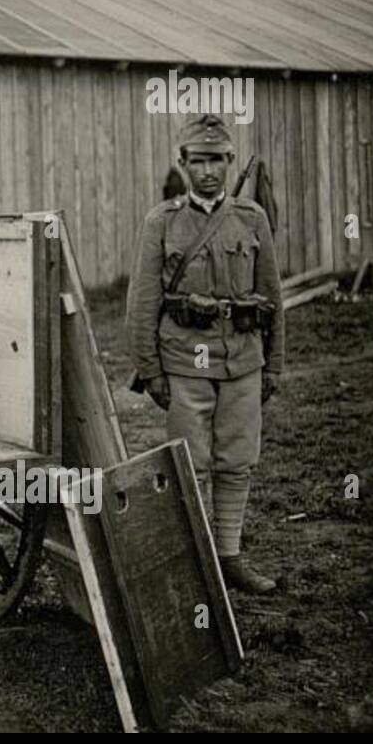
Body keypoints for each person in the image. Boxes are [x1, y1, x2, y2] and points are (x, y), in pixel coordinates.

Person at [126, 114, 284, 594]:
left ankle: (229, 557)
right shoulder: (163, 221)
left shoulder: (252, 219)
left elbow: (272, 295)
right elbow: (143, 301)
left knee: (237, 460)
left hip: (242, 362)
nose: (209, 171)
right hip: (185, 363)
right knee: (189, 464)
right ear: (183, 163)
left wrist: (273, 365)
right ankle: (196, 562)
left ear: (230, 161)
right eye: (199, 161)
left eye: (218, 160)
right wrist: (150, 370)